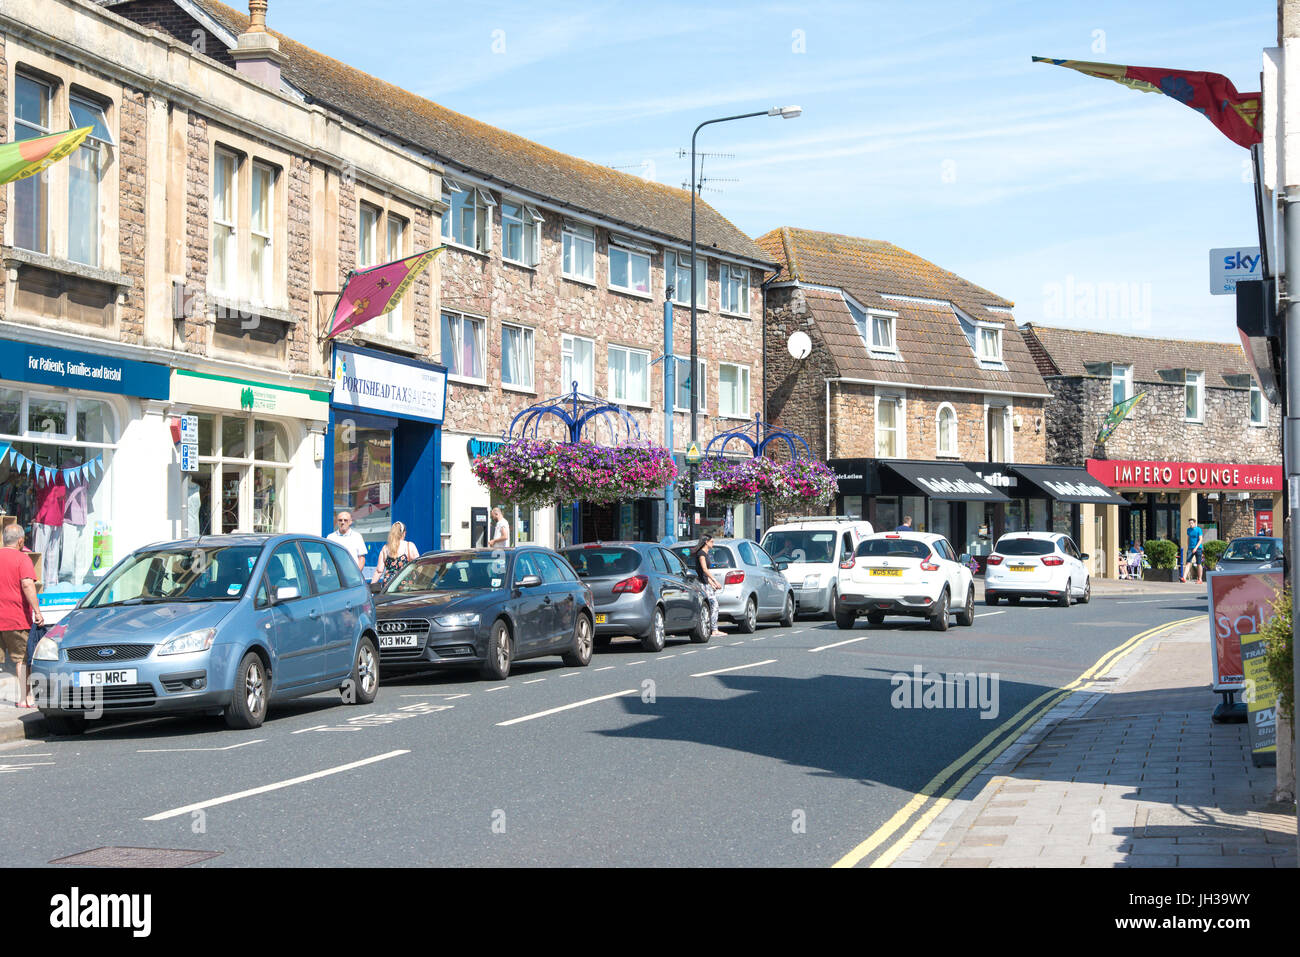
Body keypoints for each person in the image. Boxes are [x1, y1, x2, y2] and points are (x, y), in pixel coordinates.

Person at [0, 524, 43, 709]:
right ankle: (25, 699)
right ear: (20, 541)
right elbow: (27, 585)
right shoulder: (22, 559)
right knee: (21, 660)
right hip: (15, 618)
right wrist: (38, 612)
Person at [691, 536, 726, 638]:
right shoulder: (701, 554)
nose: (713, 543)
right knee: (713, 604)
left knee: (712, 605)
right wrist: (715, 580)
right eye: (711, 541)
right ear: (706, 542)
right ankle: (714, 629)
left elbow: (704, 574)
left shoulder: (706, 554)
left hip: (706, 583)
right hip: (702, 584)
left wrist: (712, 583)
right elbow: (704, 570)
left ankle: (712, 628)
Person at [372, 521, 419, 586]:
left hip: (388, 586)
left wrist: (371, 585)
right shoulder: (409, 546)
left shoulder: (385, 548)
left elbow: (379, 570)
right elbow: (418, 566)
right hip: (405, 586)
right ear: (404, 533)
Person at [1184, 518, 1204, 584]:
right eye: (1189, 523)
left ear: (1195, 523)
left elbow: (1200, 540)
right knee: (1188, 562)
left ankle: (1200, 579)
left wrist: (1195, 548)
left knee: (1199, 563)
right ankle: (1184, 578)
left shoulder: (1199, 529)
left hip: (1198, 548)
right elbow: (1188, 539)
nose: (1190, 524)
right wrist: (1188, 546)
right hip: (1190, 548)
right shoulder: (1188, 530)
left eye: (1192, 523)